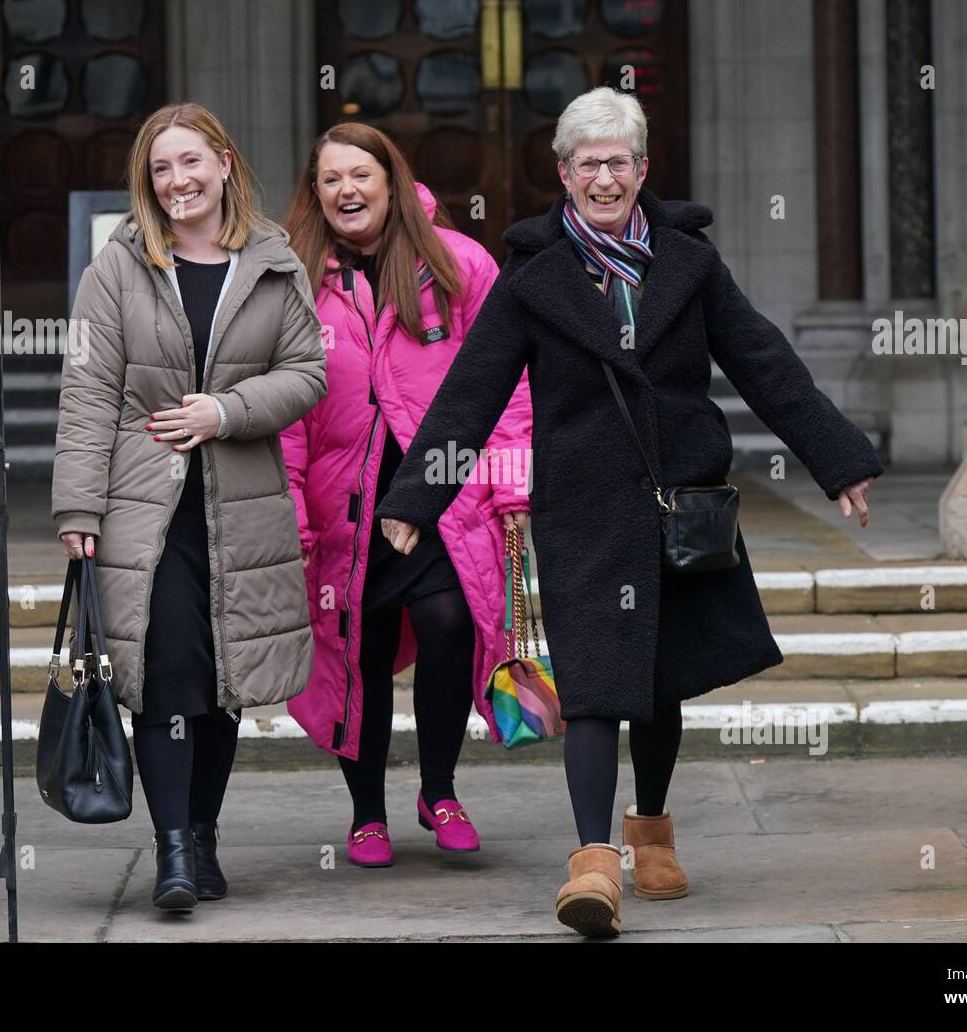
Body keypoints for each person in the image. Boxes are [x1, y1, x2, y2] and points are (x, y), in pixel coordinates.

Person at [373, 87, 881, 937]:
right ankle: (592, 863)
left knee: (663, 678)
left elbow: (763, 359)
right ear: (563, 174)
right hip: (584, 508)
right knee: (597, 686)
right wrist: (417, 497)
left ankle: (651, 826)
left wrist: (837, 459)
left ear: (642, 170)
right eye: (588, 163)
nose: (604, 177)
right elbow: (470, 394)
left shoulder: (691, 261)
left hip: (679, 501)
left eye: (619, 161)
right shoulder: (533, 277)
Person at [52, 102, 326, 911]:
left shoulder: (275, 262)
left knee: (221, 680)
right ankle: (172, 850)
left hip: (241, 507)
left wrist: (224, 411)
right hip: (144, 510)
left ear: (225, 164)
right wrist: (79, 508)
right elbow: (88, 391)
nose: (177, 181)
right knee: (167, 673)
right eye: (161, 169)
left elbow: (307, 373)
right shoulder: (118, 268)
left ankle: (202, 834)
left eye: (190, 162)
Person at [280, 123, 533, 866]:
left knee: (450, 623)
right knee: (362, 646)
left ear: (392, 181)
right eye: (331, 180)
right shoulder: (294, 275)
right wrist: (291, 503)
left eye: (361, 175)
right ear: (316, 192)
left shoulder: (458, 264)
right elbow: (288, 408)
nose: (347, 191)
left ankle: (440, 787)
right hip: (344, 504)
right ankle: (366, 815)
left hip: (442, 495)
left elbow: (510, 378)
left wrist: (513, 477)